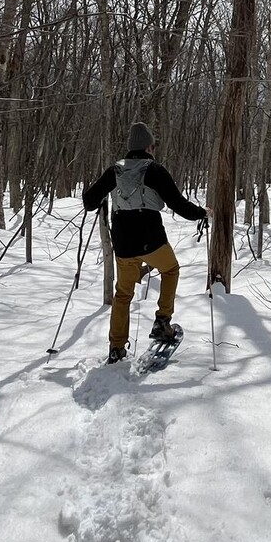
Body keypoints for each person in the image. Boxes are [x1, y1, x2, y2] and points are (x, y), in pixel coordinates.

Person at [81, 122, 210, 364]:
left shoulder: (114, 171)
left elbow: (89, 201)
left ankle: (117, 346)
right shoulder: (154, 170)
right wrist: (202, 212)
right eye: (154, 146)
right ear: (149, 147)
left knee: (123, 294)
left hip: (123, 244)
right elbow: (178, 204)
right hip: (152, 240)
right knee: (170, 269)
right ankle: (163, 320)